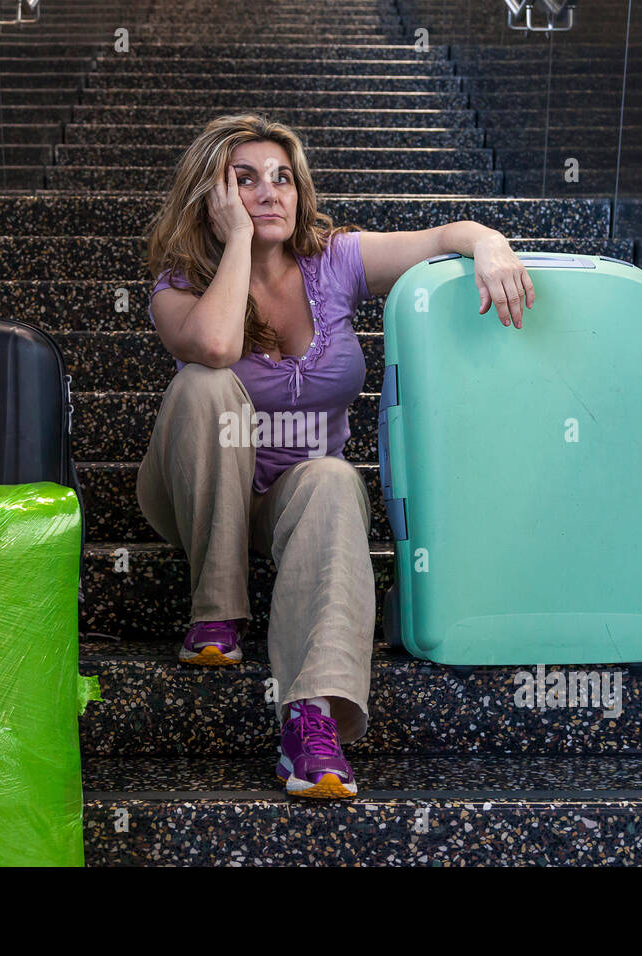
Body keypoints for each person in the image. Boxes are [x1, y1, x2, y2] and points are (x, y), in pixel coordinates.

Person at [138, 113, 534, 799]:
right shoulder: (177, 286)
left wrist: (491, 247)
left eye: (283, 179)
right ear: (214, 197)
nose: (271, 193)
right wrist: (238, 245)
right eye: (246, 181)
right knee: (206, 386)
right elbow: (212, 347)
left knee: (330, 475)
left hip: (291, 503)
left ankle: (309, 721)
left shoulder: (335, 260)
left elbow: (446, 237)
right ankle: (215, 610)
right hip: (196, 489)